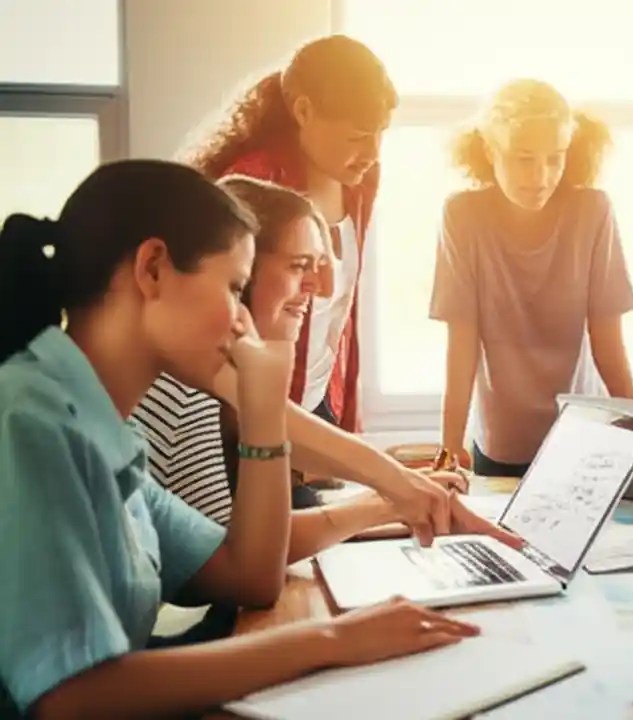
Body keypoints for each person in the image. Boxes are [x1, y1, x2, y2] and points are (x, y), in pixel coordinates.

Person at [0, 161, 477, 719]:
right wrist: (332, 641)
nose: (242, 318)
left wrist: (263, 410)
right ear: (152, 269)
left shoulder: (107, 431)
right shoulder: (29, 421)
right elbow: (72, 698)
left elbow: (251, 573)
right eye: (233, 286)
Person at [133, 176, 519, 556]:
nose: (319, 286)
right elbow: (237, 559)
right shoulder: (181, 396)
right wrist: (388, 499)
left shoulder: (214, 376)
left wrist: (402, 488)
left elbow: (287, 430)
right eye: (299, 265)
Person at [185, 35, 396, 507]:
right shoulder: (251, 188)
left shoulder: (361, 179)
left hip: (319, 397)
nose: (374, 151)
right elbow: (227, 335)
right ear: (303, 111)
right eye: (359, 135)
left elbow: (340, 309)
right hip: (253, 406)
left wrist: (344, 434)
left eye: (381, 132)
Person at [432, 78, 633, 478]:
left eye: (555, 158)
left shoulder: (592, 210)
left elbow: (608, 341)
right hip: (502, 442)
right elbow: (461, 342)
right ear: (490, 151)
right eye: (523, 159)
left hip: (581, 434)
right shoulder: (462, 215)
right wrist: (450, 445)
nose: (541, 176)